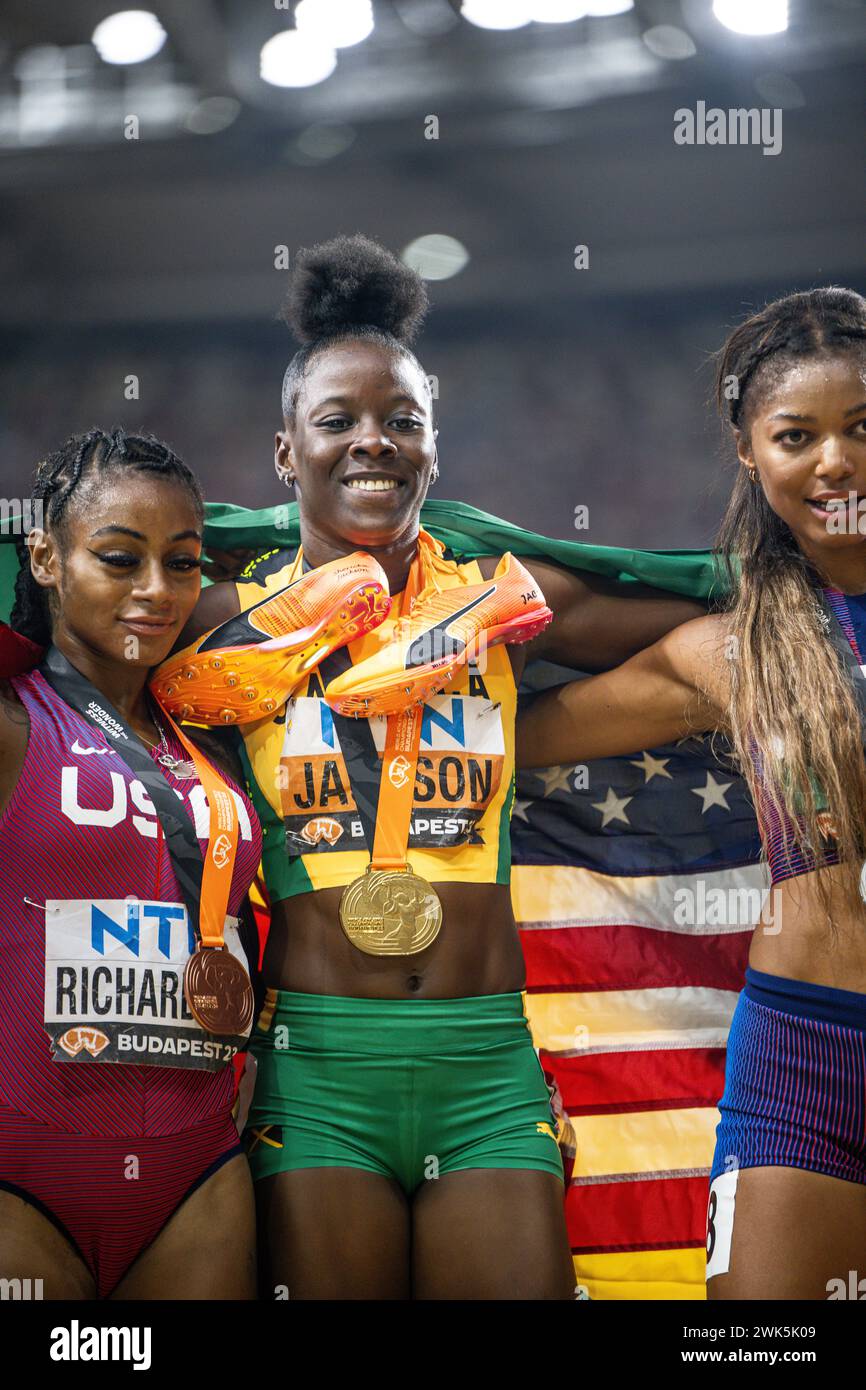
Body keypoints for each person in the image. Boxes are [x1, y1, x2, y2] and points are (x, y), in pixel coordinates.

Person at [160, 234, 708, 1300]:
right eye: (337, 422)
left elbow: (703, 630)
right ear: (285, 453)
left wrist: (543, 732)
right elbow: (75, 629)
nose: (373, 443)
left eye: (401, 422)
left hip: (485, 1066)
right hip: (316, 1068)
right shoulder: (221, 626)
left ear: (433, 445)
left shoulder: (503, 603)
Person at [517, 287, 866, 1300]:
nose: (832, 461)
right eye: (795, 435)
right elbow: (521, 739)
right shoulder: (724, 651)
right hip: (800, 1053)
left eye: (860, 428)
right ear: (750, 454)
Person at [0, 428, 263, 1300]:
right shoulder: (10, 720)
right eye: (120, 558)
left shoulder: (218, 743)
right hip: (22, 1172)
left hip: (199, 1174)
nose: (157, 592)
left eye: (183, 564)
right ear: (44, 556)